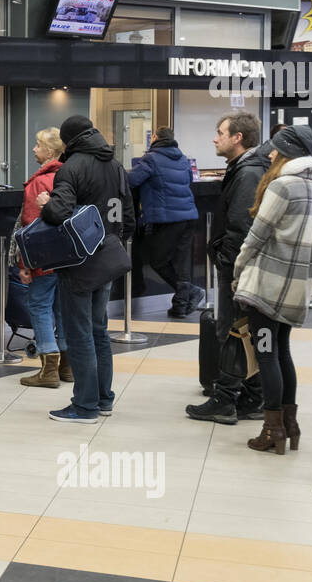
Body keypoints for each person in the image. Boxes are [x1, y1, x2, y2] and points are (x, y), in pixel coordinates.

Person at [232, 124, 312, 456]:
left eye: (276, 149)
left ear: (287, 153)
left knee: (265, 354)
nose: (270, 154)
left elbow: (257, 235)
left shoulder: (282, 185)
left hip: (267, 286)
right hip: (294, 285)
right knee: (282, 352)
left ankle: (272, 430)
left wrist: (238, 269)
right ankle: (289, 424)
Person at [36, 115, 135, 423]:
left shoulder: (71, 167)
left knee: (79, 334)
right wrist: (113, 242)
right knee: (99, 330)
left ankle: (85, 406)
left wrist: (45, 203)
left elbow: (58, 212)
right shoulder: (115, 165)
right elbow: (129, 215)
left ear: (68, 141)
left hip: (79, 262)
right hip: (107, 259)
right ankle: (103, 399)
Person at [187, 113, 270, 424]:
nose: (215, 138)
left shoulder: (247, 173)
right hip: (240, 264)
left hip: (237, 267)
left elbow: (241, 225)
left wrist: (227, 262)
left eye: (220, 132)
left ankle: (226, 399)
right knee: (241, 330)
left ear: (238, 138)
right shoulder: (246, 168)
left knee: (232, 330)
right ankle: (252, 396)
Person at [127, 127, 203, 317]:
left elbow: (131, 180)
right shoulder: (183, 159)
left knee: (157, 260)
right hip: (189, 216)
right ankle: (180, 305)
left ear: (154, 138)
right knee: (181, 262)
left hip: (167, 218)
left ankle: (192, 292)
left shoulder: (150, 158)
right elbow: (189, 181)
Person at [17, 127, 71, 389]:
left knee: (39, 306)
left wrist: (24, 264)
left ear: (50, 151)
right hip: (66, 256)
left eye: (38, 145)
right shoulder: (67, 177)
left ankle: (48, 368)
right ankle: (67, 366)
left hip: (43, 258)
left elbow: (31, 227)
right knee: (62, 308)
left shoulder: (38, 182)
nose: (34, 149)